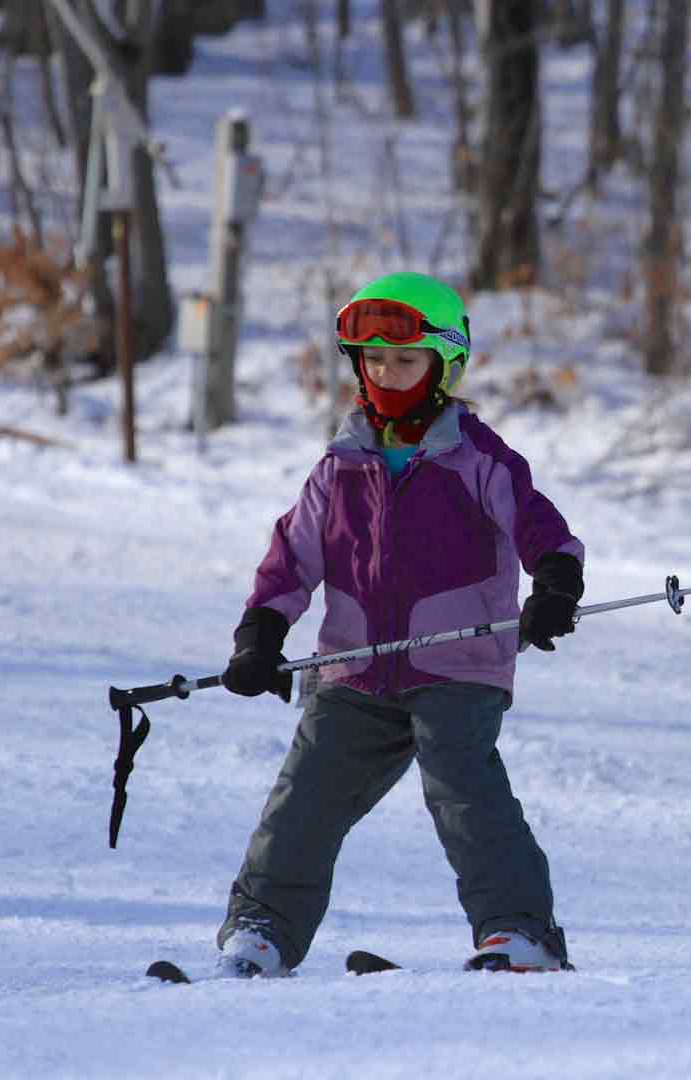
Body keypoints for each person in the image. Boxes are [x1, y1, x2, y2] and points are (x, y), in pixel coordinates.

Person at [213, 271, 584, 976]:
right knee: (306, 794)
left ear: (445, 364)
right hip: (353, 666)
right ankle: (262, 929)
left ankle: (518, 932)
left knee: (461, 785)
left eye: (405, 360)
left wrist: (554, 589)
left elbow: (545, 533)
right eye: (373, 360)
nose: (387, 373)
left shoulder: (478, 457)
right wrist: (259, 637)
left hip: (456, 666)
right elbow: (290, 559)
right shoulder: (341, 464)